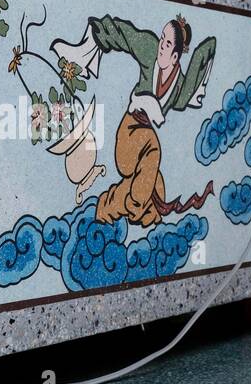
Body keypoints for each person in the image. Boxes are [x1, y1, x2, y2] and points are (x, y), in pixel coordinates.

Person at [52, 14, 215, 227]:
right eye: (162, 38)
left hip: (144, 139)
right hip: (129, 134)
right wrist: (98, 33)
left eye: (166, 44)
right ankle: (133, 205)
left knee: (155, 189)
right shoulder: (149, 50)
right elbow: (126, 35)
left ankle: (107, 210)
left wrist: (205, 71)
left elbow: (204, 55)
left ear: (175, 58)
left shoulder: (179, 87)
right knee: (152, 150)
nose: (161, 47)